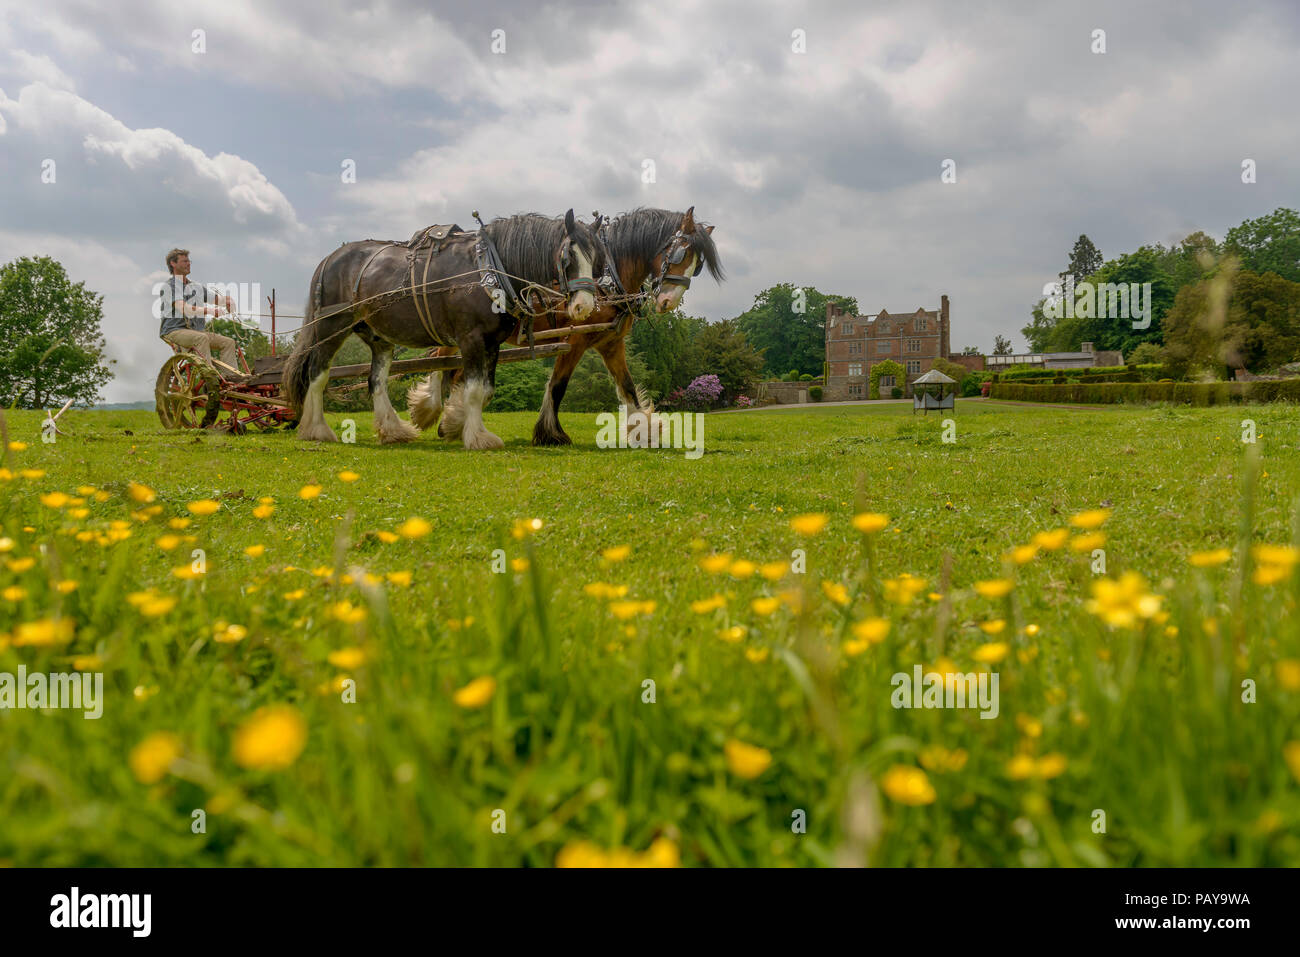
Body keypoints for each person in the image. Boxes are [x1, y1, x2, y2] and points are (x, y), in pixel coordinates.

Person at [157, 248, 243, 371]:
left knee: (228, 342)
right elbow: (185, 309)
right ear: (173, 263)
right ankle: (210, 377)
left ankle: (231, 378)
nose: (188, 263)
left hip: (196, 331)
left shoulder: (196, 286)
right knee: (202, 338)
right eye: (184, 261)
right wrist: (210, 311)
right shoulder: (169, 287)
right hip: (174, 331)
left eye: (189, 261)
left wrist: (228, 301)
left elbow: (217, 300)